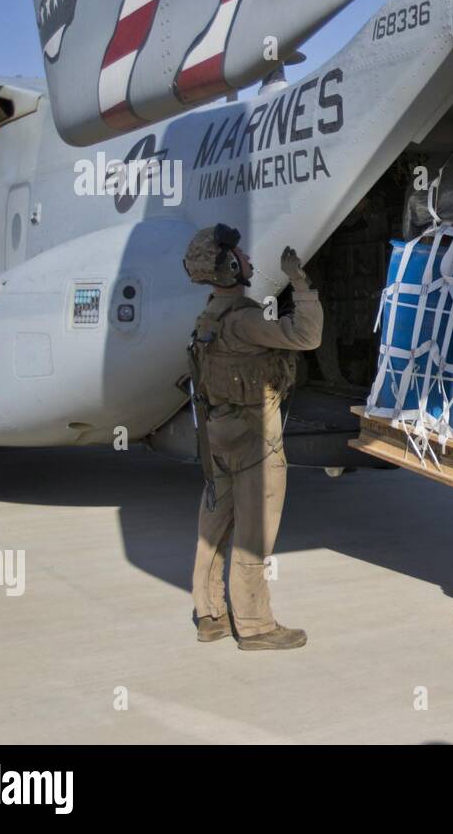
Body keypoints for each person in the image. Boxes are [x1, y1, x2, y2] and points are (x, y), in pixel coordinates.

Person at [182, 224, 322, 650]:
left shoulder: (210, 316)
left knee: (214, 523)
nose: (247, 259)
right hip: (254, 438)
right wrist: (300, 283)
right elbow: (307, 335)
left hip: (219, 432)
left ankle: (210, 615)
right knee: (254, 530)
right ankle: (256, 625)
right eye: (239, 255)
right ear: (227, 266)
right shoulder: (244, 321)